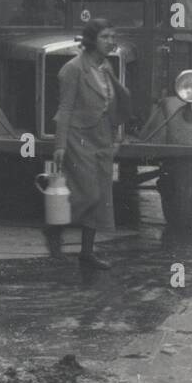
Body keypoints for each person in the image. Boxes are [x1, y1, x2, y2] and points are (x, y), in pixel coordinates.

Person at [47, 18, 132, 270]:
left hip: (102, 136)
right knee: (89, 193)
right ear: (92, 40)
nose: (111, 42)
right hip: (78, 135)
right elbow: (65, 108)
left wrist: (116, 135)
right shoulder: (73, 69)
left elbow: (112, 102)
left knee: (102, 196)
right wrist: (60, 145)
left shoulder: (105, 66)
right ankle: (53, 229)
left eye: (113, 37)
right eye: (105, 37)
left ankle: (87, 252)